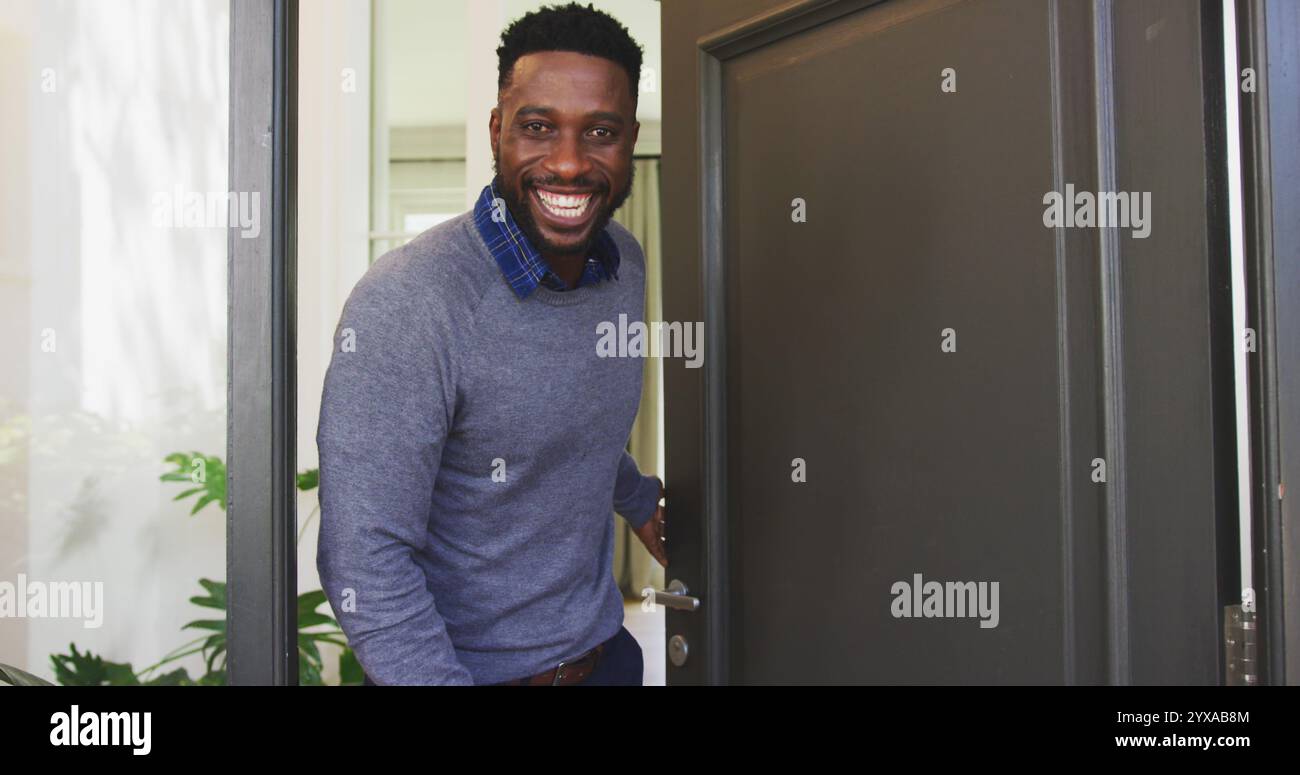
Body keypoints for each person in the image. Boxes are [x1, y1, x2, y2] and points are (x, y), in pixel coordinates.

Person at [316, 2, 665, 686]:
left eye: (600, 131)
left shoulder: (622, 262)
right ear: (498, 130)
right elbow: (365, 558)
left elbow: (568, 426)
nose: (568, 163)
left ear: (629, 143)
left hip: (610, 659)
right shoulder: (410, 302)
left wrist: (641, 499)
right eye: (539, 127)